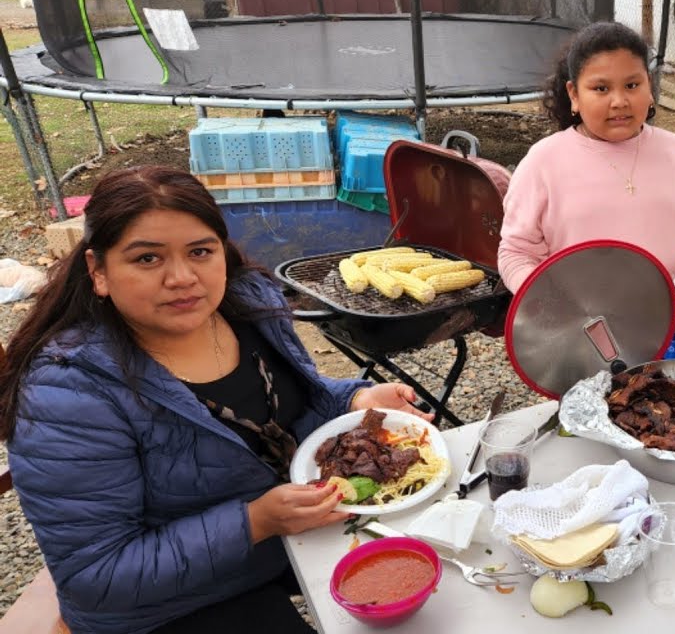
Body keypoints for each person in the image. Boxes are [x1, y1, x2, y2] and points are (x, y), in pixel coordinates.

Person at [0, 166, 431, 634]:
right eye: (147, 259)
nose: (183, 278)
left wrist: (356, 399)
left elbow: (290, 403)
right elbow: (96, 576)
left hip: (280, 539)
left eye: (200, 252)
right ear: (98, 272)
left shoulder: (247, 307)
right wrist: (254, 522)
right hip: (167, 606)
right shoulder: (67, 391)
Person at [498, 21, 675, 304]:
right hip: (580, 331)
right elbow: (517, 252)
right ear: (574, 94)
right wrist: (546, 299)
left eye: (632, 85)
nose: (619, 101)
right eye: (601, 88)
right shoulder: (543, 162)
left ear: (650, 86)